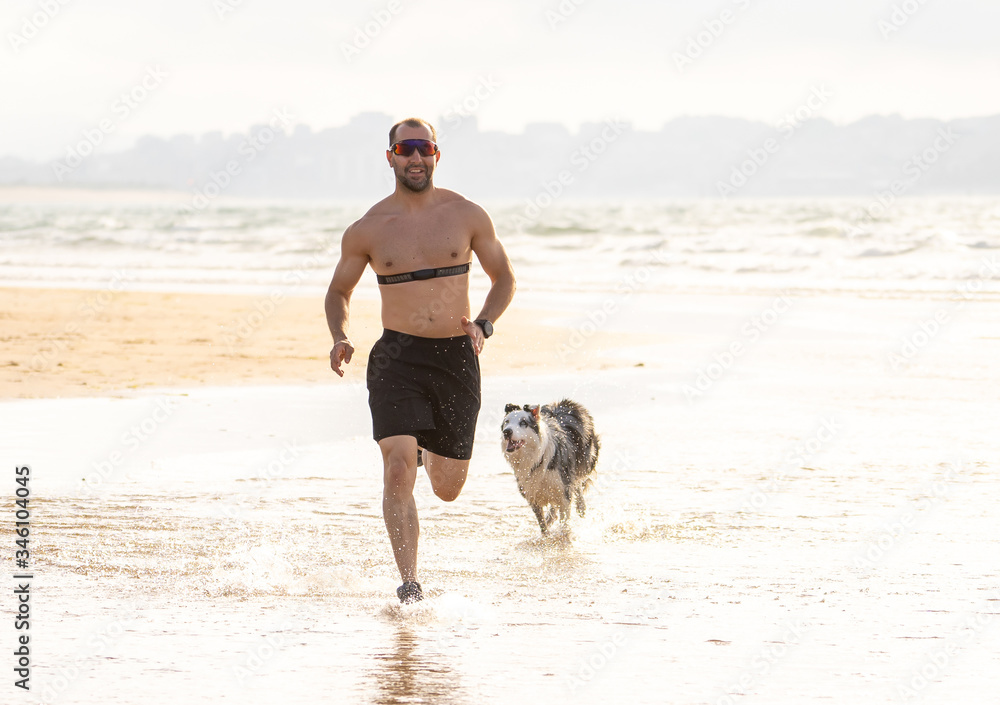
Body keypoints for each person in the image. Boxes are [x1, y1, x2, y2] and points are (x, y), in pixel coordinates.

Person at [324, 117, 516, 604]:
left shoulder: (467, 214)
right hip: (396, 357)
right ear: (389, 156)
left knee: (448, 490)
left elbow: (503, 278)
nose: (415, 157)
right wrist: (340, 335)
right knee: (396, 467)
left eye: (423, 148)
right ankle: (410, 583)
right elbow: (338, 292)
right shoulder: (368, 228)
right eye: (405, 149)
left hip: (456, 356)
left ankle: (426, 449)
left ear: (436, 155)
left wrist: (485, 323)